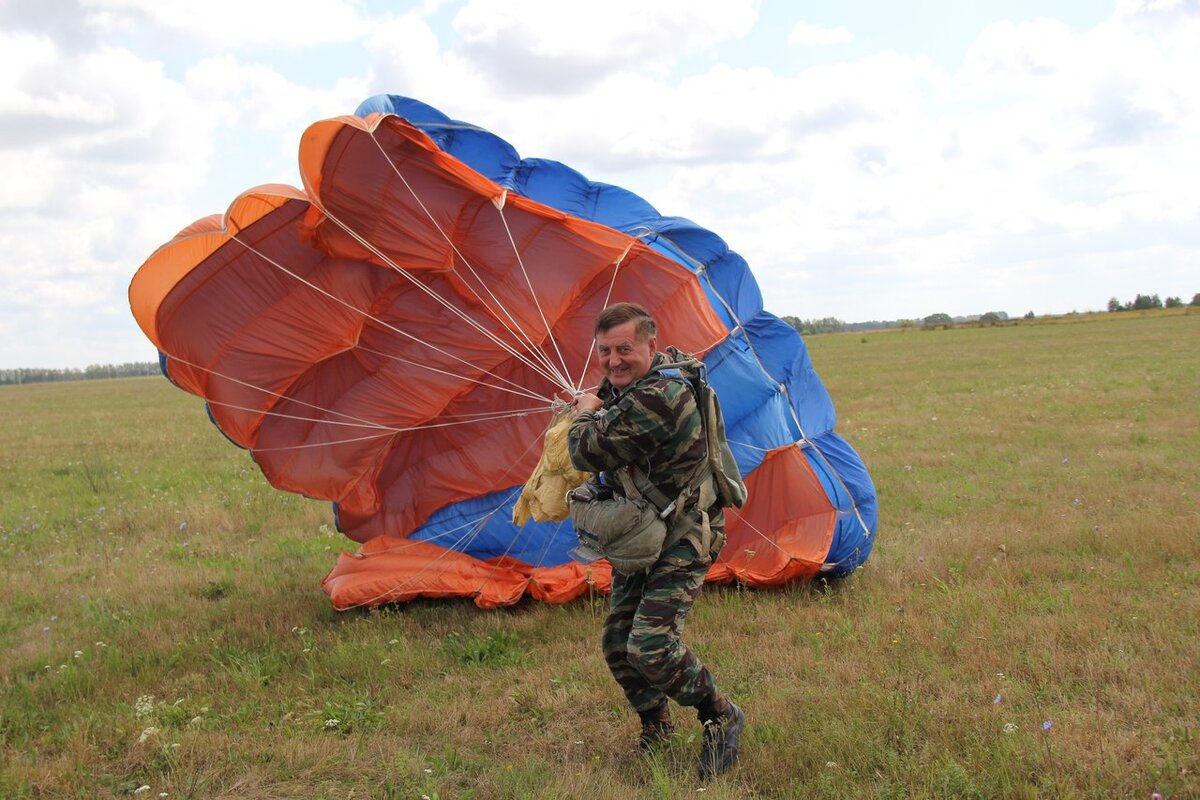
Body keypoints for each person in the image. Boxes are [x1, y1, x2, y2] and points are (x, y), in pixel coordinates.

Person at [567, 301, 745, 779]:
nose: (613, 360)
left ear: (651, 344)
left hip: (687, 535)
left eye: (624, 349)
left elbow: (586, 450)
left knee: (649, 644)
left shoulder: (661, 396)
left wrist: (585, 414)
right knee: (617, 643)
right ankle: (656, 727)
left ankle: (720, 715)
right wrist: (596, 403)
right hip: (645, 531)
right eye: (604, 351)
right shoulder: (631, 386)